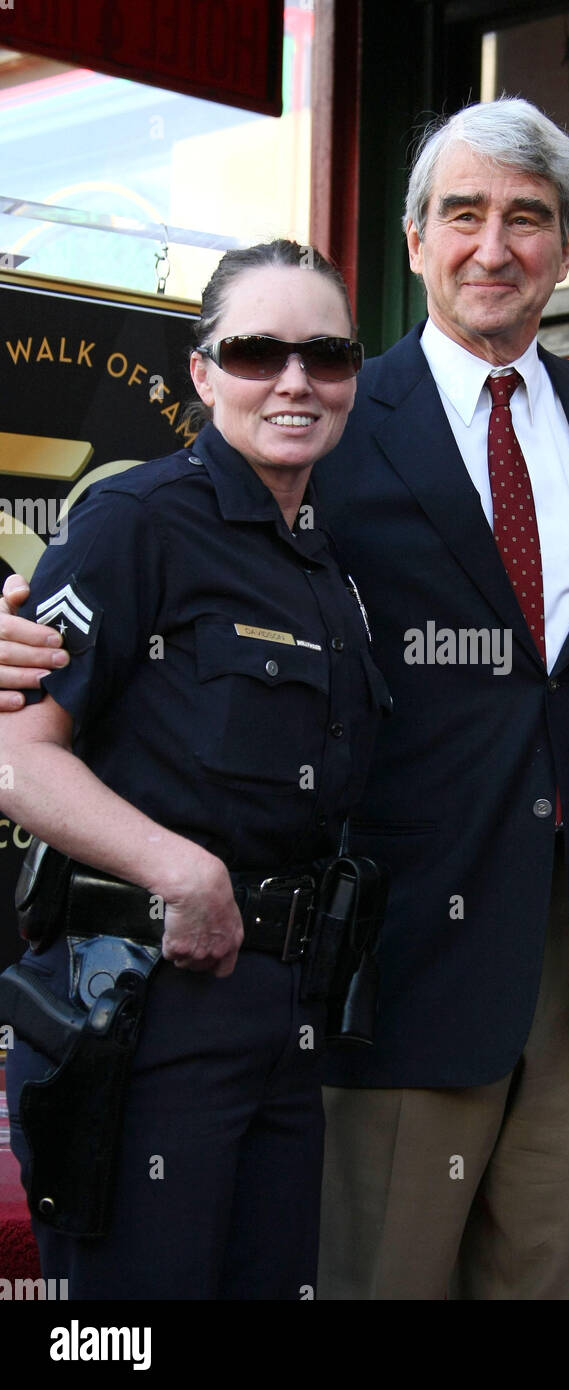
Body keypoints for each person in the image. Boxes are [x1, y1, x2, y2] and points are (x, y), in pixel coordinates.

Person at [0, 98, 569, 1300]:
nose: (493, 245)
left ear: (566, 249)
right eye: (461, 213)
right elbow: (135, 590)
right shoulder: (322, 428)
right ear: (413, 241)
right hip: (391, 955)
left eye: (527, 218)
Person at [0, 239, 389, 1299]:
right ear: (204, 370)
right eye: (258, 351)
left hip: (284, 1007)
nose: (296, 379)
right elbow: (15, 752)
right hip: (145, 1006)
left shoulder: (326, 555)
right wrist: (182, 871)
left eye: (329, 353)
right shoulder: (138, 522)